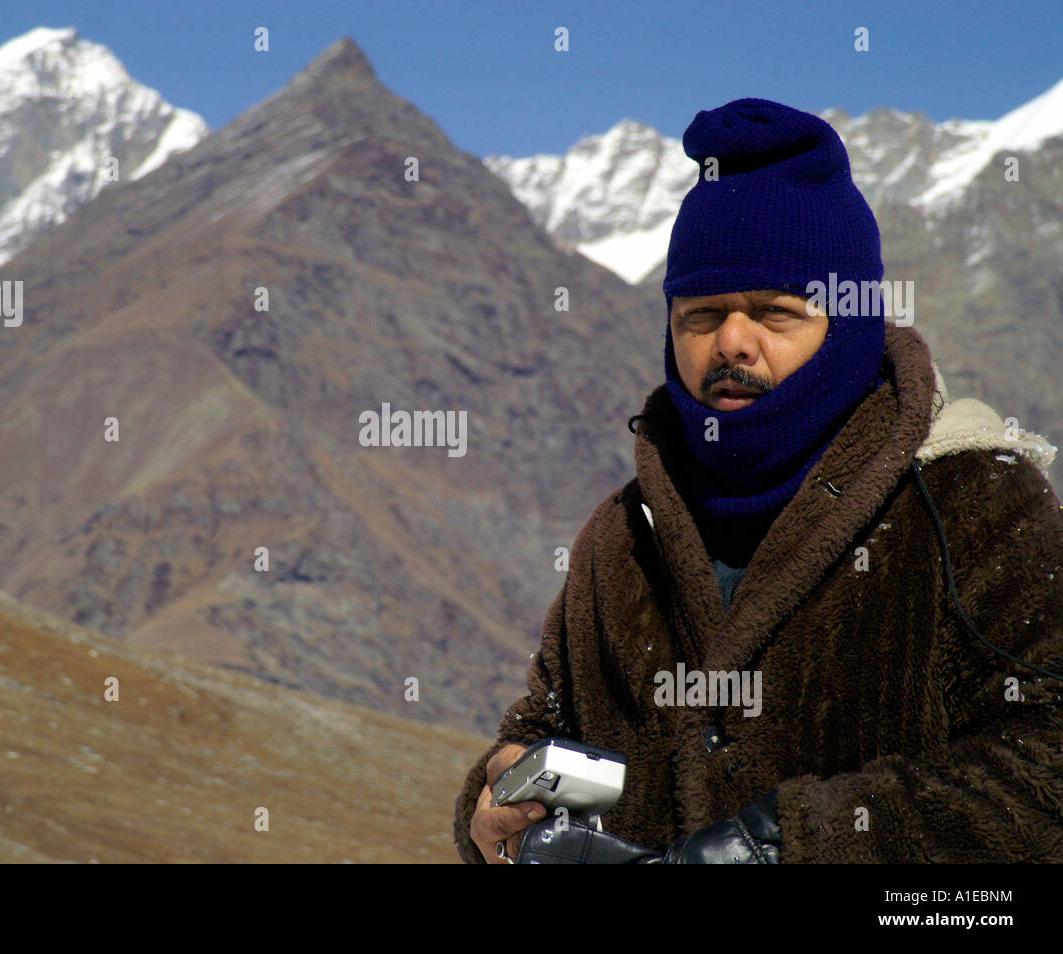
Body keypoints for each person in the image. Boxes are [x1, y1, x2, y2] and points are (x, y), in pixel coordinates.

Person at [454, 97, 1063, 864]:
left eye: (774, 312)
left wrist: (790, 845)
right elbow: (536, 737)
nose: (731, 342)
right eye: (701, 313)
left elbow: (1046, 767)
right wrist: (495, 806)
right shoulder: (620, 540)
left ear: (847, 325)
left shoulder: (974, 500)